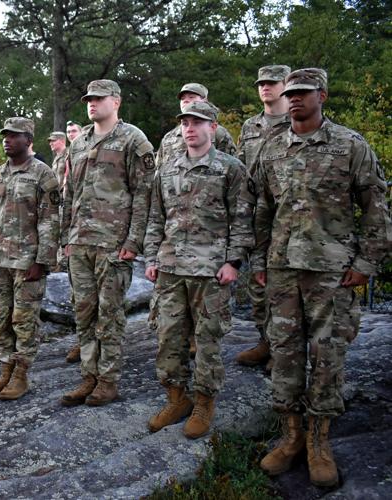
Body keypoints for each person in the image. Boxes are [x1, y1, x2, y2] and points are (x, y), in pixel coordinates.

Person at [253, 68, 391, 488]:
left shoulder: (350, 145)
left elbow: (376, 207)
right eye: (290, 93)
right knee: (284, 354)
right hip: (282, 268)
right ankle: (291, 435)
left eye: (303, 93)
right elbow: (260, 206)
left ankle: (319, 441)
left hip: (332, 271)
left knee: (328, 358)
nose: (294, 99)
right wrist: (259, 259)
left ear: (322, 95)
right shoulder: (273, 147)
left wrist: (366, 264)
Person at [144, 101, 254, 438]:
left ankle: (204, 401)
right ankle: (177, 397)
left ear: (213, 128)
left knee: (207, 340)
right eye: (185, 122)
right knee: (168, 337)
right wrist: (151, 259)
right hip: (172, 268)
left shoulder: (230, 168)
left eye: (198, 122)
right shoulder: (166, 170)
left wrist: (233, 262)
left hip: (211, 271)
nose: (190, 128)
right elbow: (155, 219)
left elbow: (242, 218)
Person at [60, 79, 156, 407]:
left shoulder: (133, 139)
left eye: (99, 99)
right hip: (81, 241)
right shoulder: (80, 141)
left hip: (113, 243)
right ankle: (89, 375)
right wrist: (66, 237)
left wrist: (134, 240)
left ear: (116, 101)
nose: (92, 104)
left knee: (110, 313)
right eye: (89, 99)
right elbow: (70, 190)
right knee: (83, 311)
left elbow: (144, 193)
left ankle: (108, 379)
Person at [0, 117, 60, 400]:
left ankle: (21, 374)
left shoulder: (43, 174)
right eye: (5, 135)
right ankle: (5, 372)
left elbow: (50, 220)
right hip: (0, 260)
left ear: (28, 140)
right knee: (0, 319)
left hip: (28, 261)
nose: (7, 140)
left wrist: (42, 260)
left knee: (24, 320)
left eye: (13, 136)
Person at [234, 64, 291, 369]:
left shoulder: (296, 121)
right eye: (261, 83)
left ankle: (285, 350)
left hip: (286, 215)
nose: (265, 88)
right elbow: (242, 170)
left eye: (272, 83)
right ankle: (265, 340)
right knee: (258, 281)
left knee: (284, 285)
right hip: (254, 213)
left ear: (285, 84)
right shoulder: (250, 126)